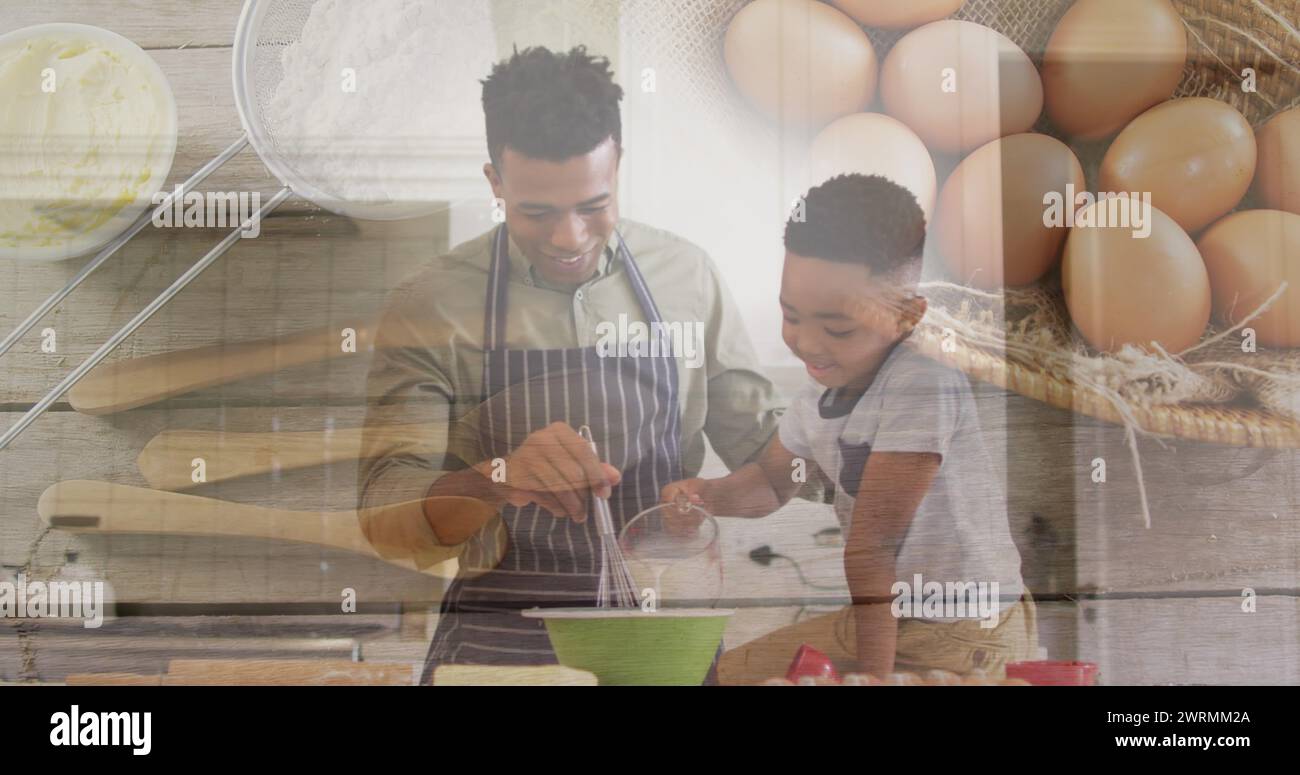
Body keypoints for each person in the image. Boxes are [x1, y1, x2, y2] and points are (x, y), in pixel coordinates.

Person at [355, 45, 785, 681]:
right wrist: (497, 478)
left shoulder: (686, 278)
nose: (569, 238)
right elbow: (386, 518)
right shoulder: (432, 303)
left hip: (659, 650)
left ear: (618, 165)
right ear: (494, 182)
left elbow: (771, 461)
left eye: (593, 205)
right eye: (537, 212)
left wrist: (856, 412)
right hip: (496, 655)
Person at [661, 174, 1036, 684]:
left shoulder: (922, 380)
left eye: (838, 328)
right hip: (892, 616)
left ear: (907, 315)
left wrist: (873, 678)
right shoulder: (822, 388)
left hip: (966, 629)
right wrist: (708, 496)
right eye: (791, 316)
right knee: (727, 675)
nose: (809, 343)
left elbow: (874, 547)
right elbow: (773, 482)